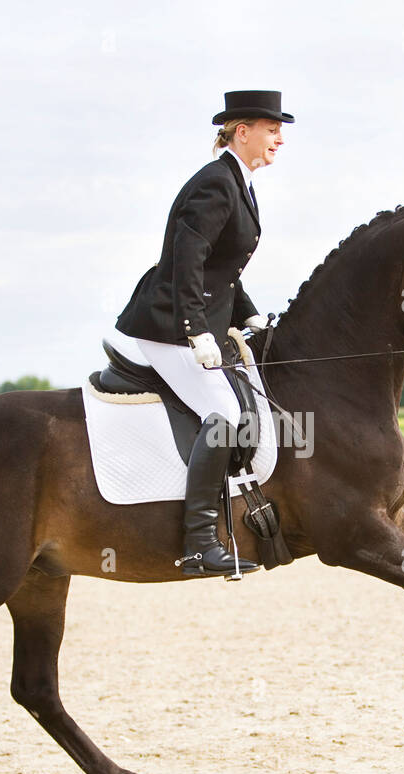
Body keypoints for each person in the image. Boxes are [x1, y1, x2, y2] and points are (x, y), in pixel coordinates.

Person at [116, 90, 293, 577]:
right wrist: (196, 331)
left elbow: (223, 271)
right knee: (227, 411)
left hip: (195, 318)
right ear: (242, 132)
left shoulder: (239, 183)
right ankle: (197, 545)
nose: (280, 138)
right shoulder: (216, 184)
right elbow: (186, 261)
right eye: (272, 128)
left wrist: (249, 315)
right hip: (168, 323)